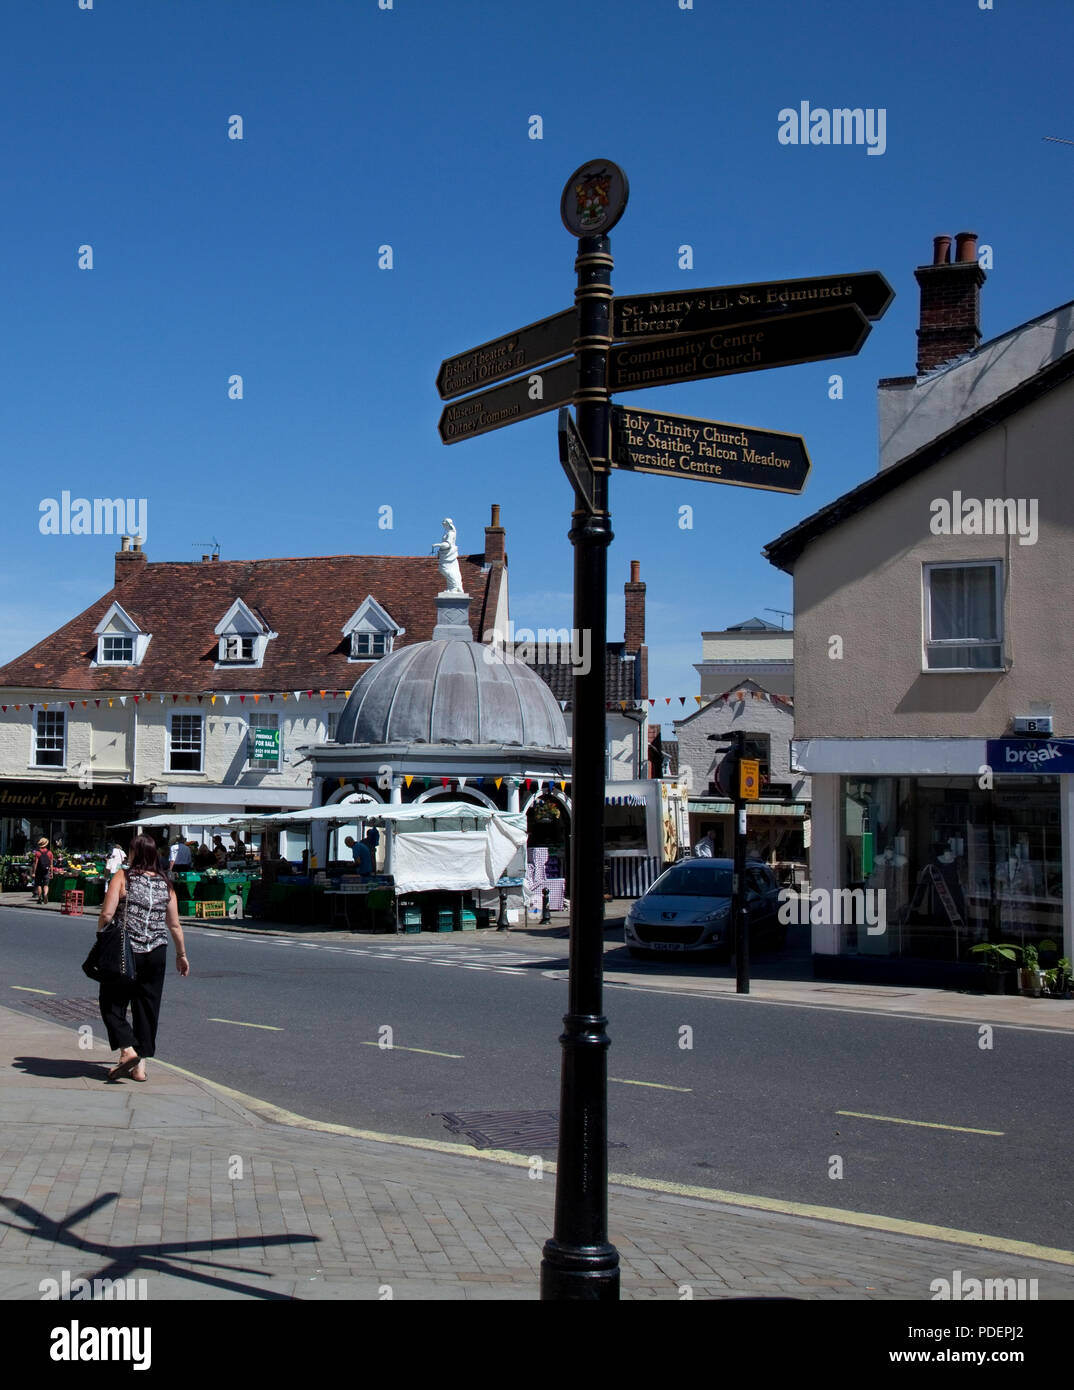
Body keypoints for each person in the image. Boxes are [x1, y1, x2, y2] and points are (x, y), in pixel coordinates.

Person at [96, 834, 190, 1083]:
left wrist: (101, 936)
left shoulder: (123, 877)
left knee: (111, 1002)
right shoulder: (165, 883)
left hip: (127, 951)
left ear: (136, 853)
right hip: (157, 952)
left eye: (131, 851)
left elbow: (107, 913)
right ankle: (140, 1068)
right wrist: (181, 954)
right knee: (147, 1008)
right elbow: (175, 924)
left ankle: (127, 1049)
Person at [32, 837, 54, 904]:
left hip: (39, 870)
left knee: (38, 884)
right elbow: (51, 864)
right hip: (46, 870)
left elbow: (35, 863)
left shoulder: (37, 853)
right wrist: (51, 873)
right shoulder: (50, 853)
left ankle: (39, 898)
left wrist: (34, 872)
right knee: (46, 884)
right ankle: (45, 894)